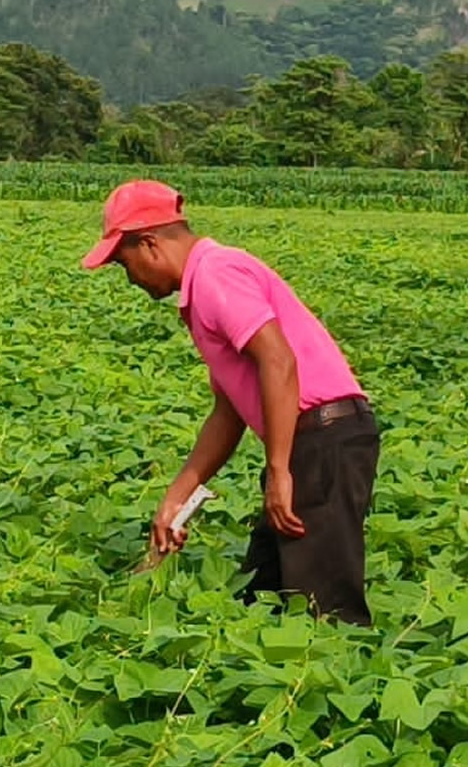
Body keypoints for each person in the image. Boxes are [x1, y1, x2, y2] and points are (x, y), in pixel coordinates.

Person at [81, 179, 380, 627]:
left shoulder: (216, 274)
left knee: (324, 614)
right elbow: (228, 414)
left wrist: (279, 470)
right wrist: (174, 501)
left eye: (126, 264)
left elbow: (279, 361)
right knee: (261, 598)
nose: (131, 279)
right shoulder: (203, 288)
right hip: (309, 443)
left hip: (324, 442)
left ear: (150, 244)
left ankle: (349, 688)